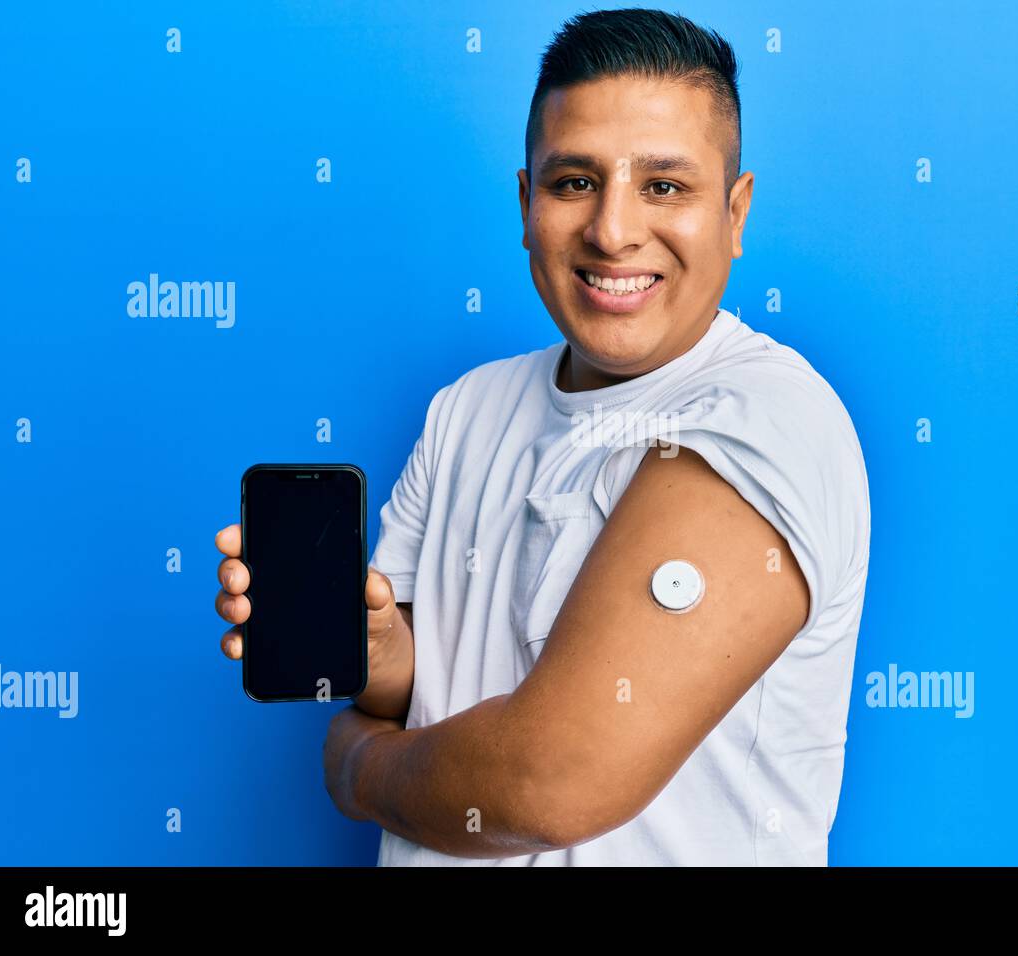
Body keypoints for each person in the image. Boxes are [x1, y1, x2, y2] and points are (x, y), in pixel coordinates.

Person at [213, 7, 869, 866]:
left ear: (736, 213)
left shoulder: (765, 420)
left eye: (665, 187)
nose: (613, 230)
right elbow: (415, 690)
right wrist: (377, 655)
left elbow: (551, 782)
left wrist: (358, 767)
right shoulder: (466, 410)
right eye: (574, 183)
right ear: (526, 204)